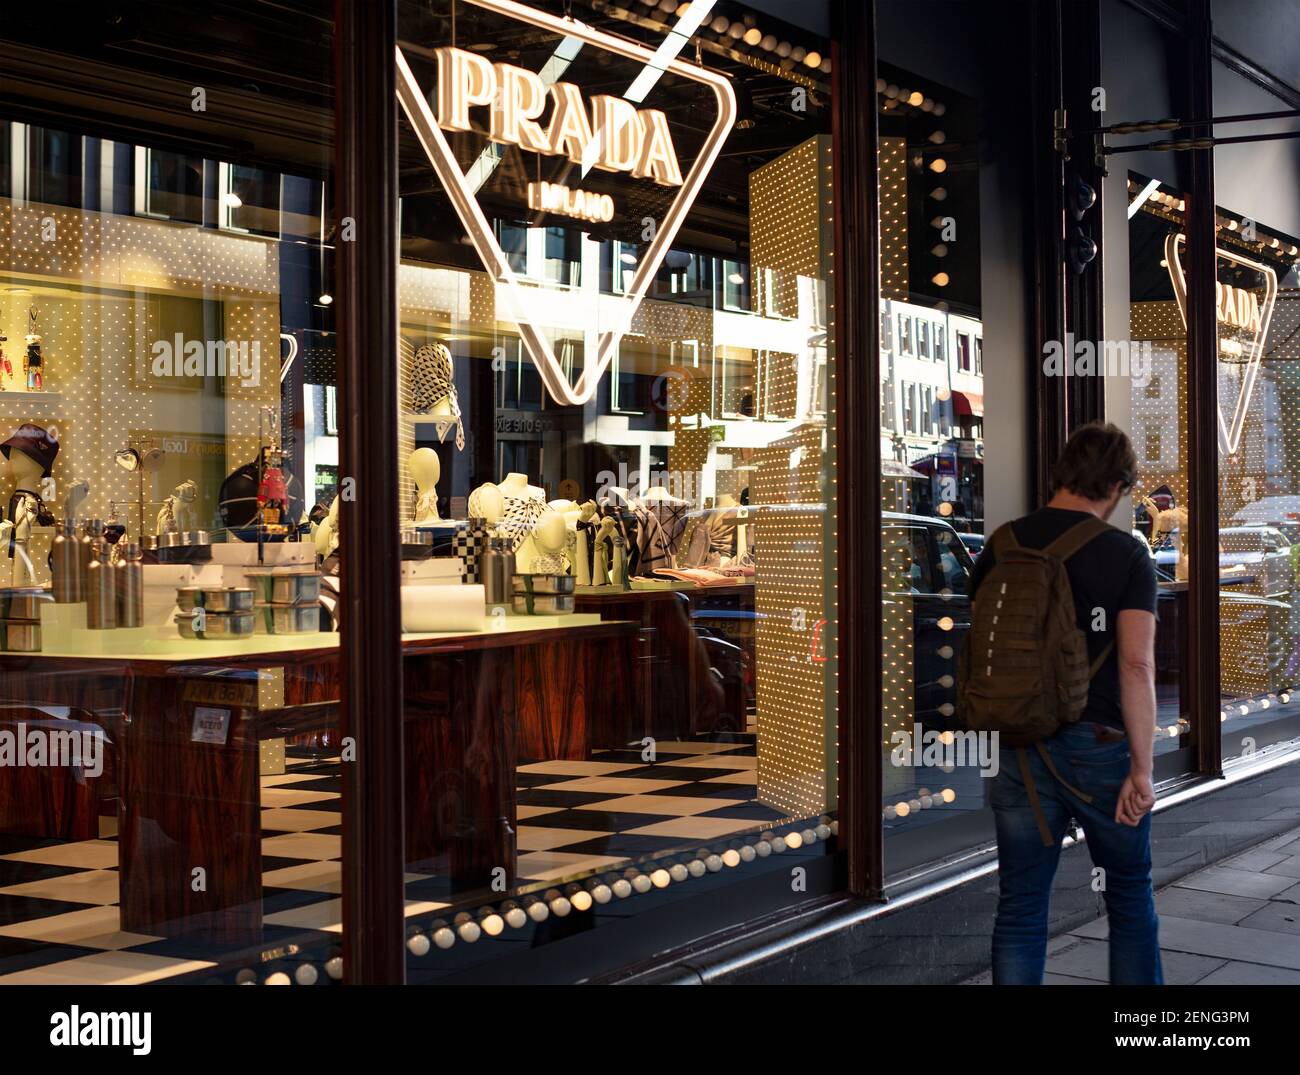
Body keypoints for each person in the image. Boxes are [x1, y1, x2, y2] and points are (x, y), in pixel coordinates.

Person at [968, 421, 1162, 985]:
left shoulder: (1000, 545)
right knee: (1128, 898)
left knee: (1022, 905)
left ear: (1061, 473)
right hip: (1099, 747)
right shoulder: (1126, 554)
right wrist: (1143, 769)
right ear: (1119, 486)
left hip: (1016, 746)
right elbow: (1137, 665)